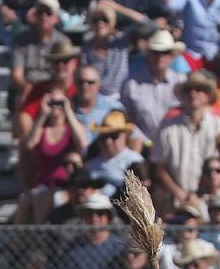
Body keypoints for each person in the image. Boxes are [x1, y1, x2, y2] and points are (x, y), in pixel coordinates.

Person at [151, 71, 220, 214]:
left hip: (212, 201)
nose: (193, 93)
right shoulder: (168, 128)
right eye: (188, 90)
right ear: (183, 96)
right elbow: (159, 167)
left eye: (199, 89)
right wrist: (178, 191)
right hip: (177, 200)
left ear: (207, 95)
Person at [17, 91, 87, 224]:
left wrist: (68, 111)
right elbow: (30, 143)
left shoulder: (72, 129)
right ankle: (17, 243)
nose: (56, 106)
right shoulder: (41, 130)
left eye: (59, 102)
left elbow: (83, 143)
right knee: (25, 201)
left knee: (48, 197)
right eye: (52, 103)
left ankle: (43, 235)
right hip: (44, 183)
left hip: (67, 184)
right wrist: (43, 113)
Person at [120, 28, 185, 143]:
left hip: (175, 142)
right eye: (156, 52)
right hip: (142, 146)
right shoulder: (131, 84)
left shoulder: (182, 83)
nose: (160, 57)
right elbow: (126, 118)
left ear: (171, 56)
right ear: (149, 54)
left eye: (165, 52)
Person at [85, 110, 142, 197]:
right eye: (104, 136)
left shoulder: (135, 160)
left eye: (114, 136)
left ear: (125, 136)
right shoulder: (90, 165)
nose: (108, 141)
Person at [79, 3, 129, 97]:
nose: (100, 23)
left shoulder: (121, 42)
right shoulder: (86, 49)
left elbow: (148, 25)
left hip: (121, 98)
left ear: (112, 22)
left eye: (105, 19)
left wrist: (118, 8)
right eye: (95, 20)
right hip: (96, 99)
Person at [73, 63, 121, 132]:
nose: (85, 86)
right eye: (80, 82)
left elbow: (135, 136)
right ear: (74, 83)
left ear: (99, 85)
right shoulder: (68, 106)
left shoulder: (113, 107)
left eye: (90, 82)